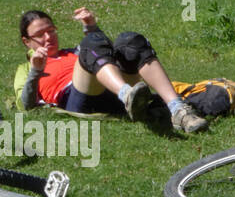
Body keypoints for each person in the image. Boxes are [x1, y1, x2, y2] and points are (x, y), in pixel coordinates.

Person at [17, 8, 209, 134]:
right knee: (89, 45)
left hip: (110, 89)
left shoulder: (73, 52)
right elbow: (26, 105)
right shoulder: (26, 68)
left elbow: (105, 51)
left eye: (51, 30)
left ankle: (178, 110)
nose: (48, 37)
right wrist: (35, 70)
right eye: (40, 35)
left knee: (130, 40)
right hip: (78, 99)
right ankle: (127, 96)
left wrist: (91, 26)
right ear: (27, 41)